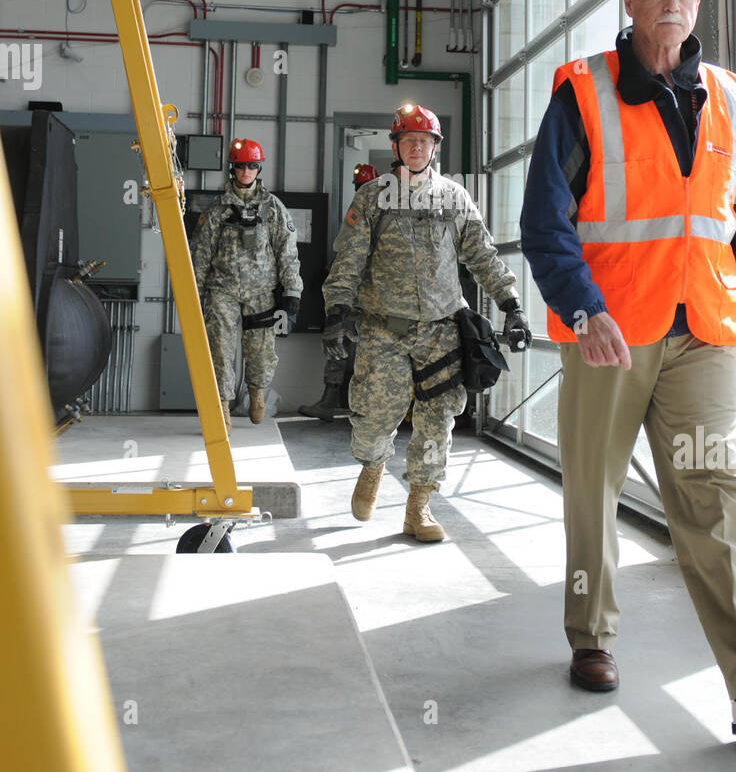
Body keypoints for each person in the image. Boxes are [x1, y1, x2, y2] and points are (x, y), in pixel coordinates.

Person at [521, 0, 736, 735]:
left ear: (701, 0)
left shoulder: (732, 100)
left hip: (704, 324)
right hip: (611, 330)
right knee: (591, 488)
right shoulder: (582, 91)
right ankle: (590, 636)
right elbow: (544, 222)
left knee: (712, 490)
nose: (671, 4)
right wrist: (583, 308)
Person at [323, 104, 532, 542]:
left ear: (434, 147)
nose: (416, 148)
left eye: (425, 141)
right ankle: (373, 464)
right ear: (395, 146)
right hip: (384, 329)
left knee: (438, 420)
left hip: (441, 331)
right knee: (375, 418)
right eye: (408, 141)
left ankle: (419, 507)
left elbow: (482, 255)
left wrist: (511, 305)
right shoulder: (374, 197)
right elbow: (351, 258)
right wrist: (337, 311)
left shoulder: (454, 198)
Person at [192, 137, 302, 433]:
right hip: (222, 291)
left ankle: (256, 393)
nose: (245, 172)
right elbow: (201, 256)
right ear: (233, 169)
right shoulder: (217, 210)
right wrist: (197, 298)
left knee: (262, 350)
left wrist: (292, 294)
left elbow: (288, 253)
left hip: (260, 294)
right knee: (220, 350)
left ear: (258, 168)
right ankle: (222, 407)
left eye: (251, 167)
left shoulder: (273, 209)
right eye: (240, 167)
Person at [298, 163, 379, 421]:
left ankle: (338, 401)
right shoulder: (361, 213)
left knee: (349, 347)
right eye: (358, 187)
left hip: (364, 298)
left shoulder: (379, 214)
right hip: (351, 296)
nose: (360, 191)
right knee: (340, 344)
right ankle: (335, 400)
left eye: (363, 186)